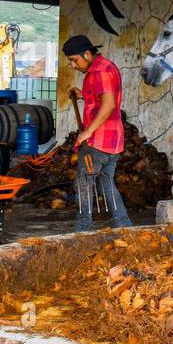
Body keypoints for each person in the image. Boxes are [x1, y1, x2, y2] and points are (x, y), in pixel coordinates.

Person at [63, 34, 134, 232]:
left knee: (84, 183)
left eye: (74, 60)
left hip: (98, 141)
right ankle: (124, 225)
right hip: (113, 140)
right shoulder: (107, 66)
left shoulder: (99, 71)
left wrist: (88, 132)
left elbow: (109, 104)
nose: (73, 65)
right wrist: (83, 95)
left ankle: (82, 229)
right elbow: (101, 100)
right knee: (107, 183)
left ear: (87, 54)